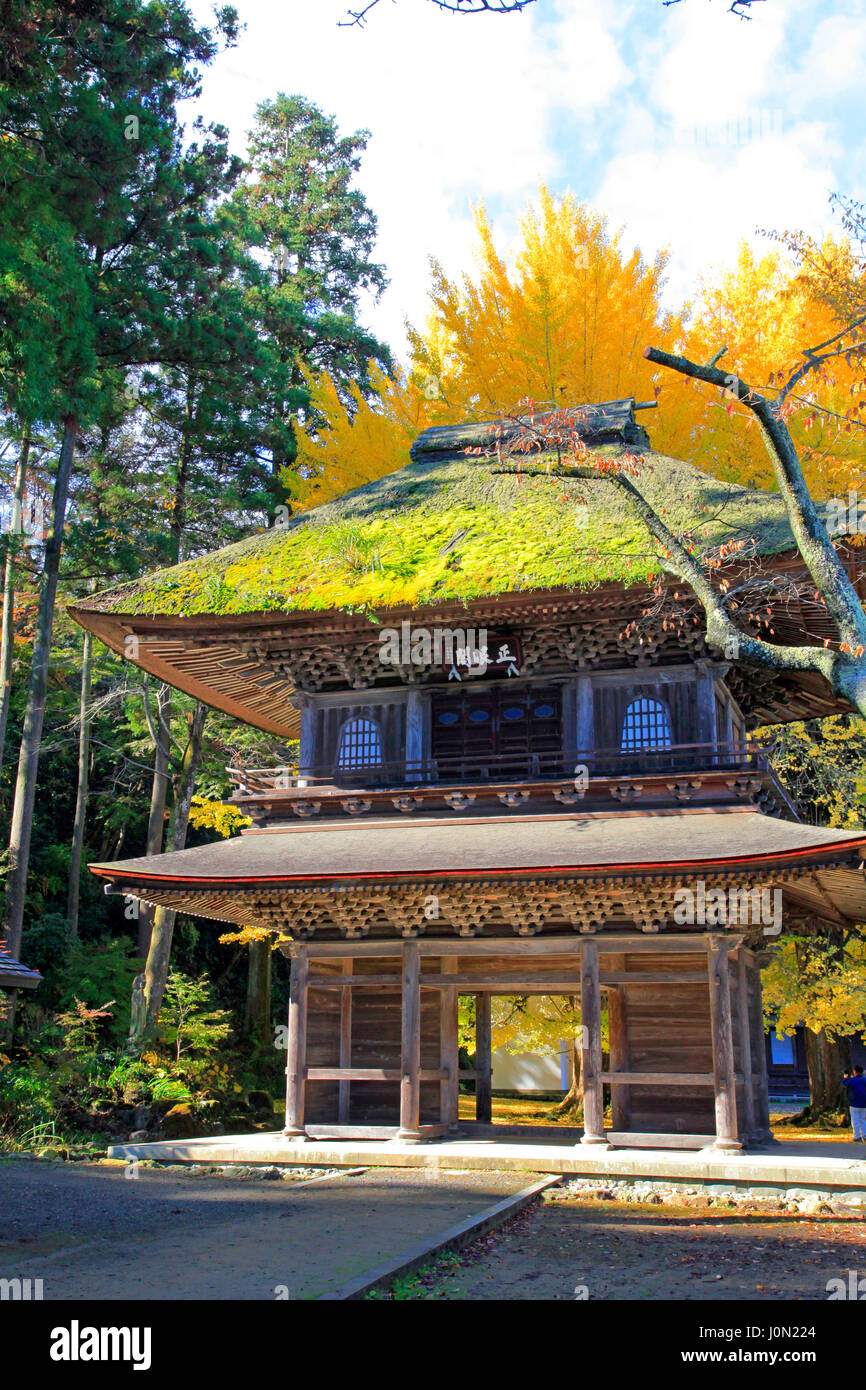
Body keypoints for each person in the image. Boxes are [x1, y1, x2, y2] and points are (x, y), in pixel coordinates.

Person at [842, 1065, 866, 1142]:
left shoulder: (852, 1080)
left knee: (855, 1120)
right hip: (864, 1103)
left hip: (854, 1103)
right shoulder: (864, 1080)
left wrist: (846, 1076)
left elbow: (845, 1083)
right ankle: (864, 1135)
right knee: (862, 1120)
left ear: (855, 1071)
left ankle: (857, 1136)